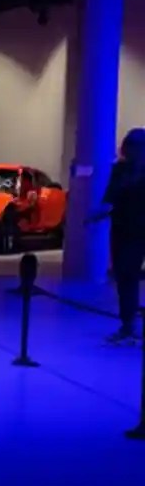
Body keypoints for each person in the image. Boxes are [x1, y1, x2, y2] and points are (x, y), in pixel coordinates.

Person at [88, 128, 145, 343]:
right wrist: (96, 214)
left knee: (127, 276)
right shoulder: (120, 170)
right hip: (122, 230)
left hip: (136, 230)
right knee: (124, 277)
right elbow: (110, 198)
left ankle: (130, 324)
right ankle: (128, 323)